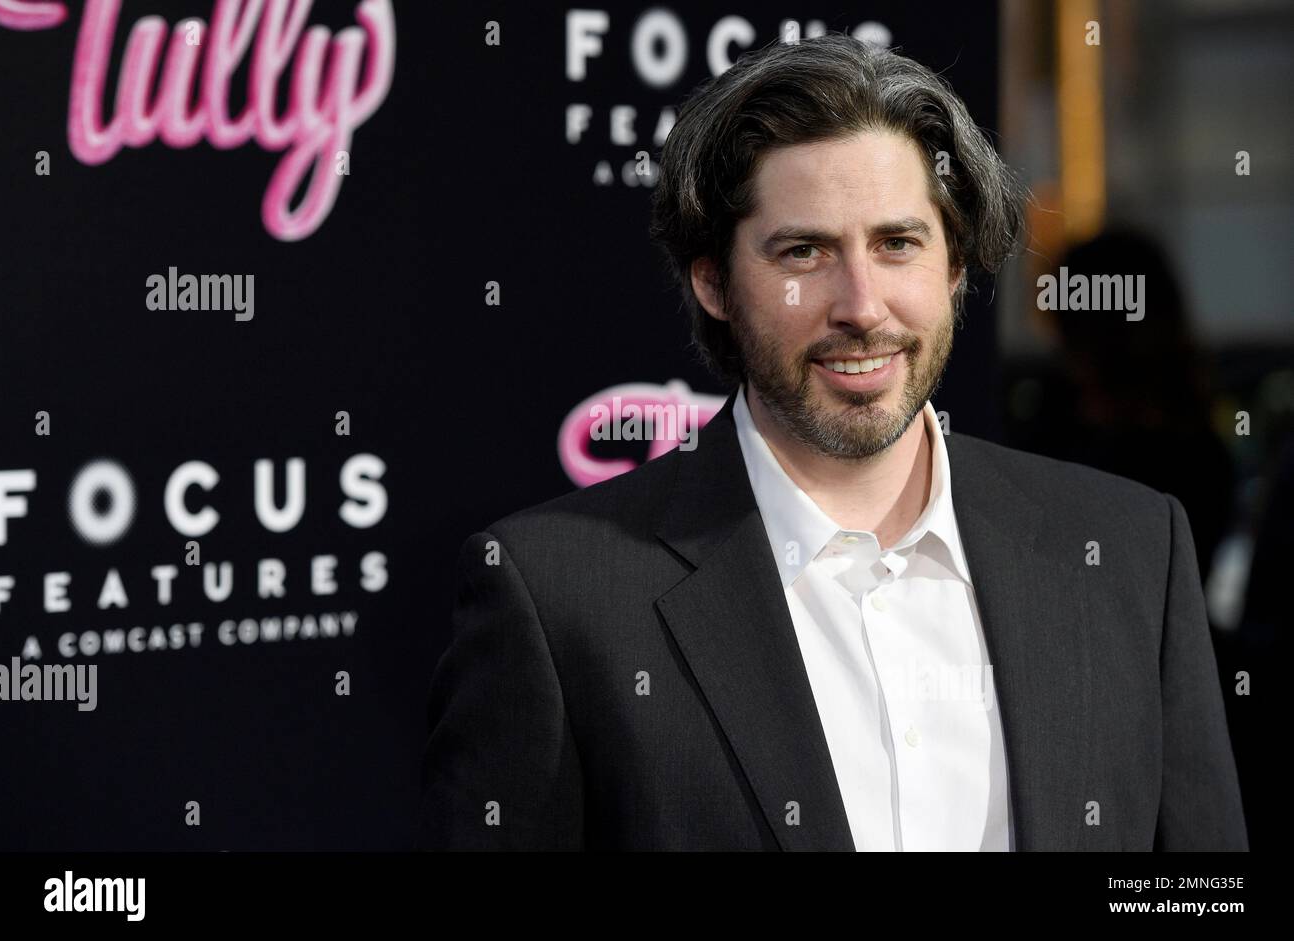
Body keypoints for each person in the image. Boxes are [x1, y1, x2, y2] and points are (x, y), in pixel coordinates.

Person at [417, 33, 1247, 851]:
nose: (862, 304)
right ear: (712, 280)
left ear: (955, 265)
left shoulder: (1128, 549)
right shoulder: (560, 600)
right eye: (804, 251)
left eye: (898, 244)